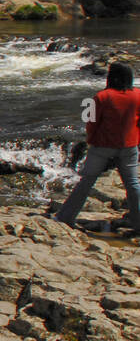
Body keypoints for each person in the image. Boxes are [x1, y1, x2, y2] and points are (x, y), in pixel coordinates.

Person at [54, 62, 140, 230]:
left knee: (86, 182)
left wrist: (91, 141)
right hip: (129, 147)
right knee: (133, 184)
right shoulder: (138, 95)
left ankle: (65, 218)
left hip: (102, 147)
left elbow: (90, 123)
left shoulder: (100, 97)